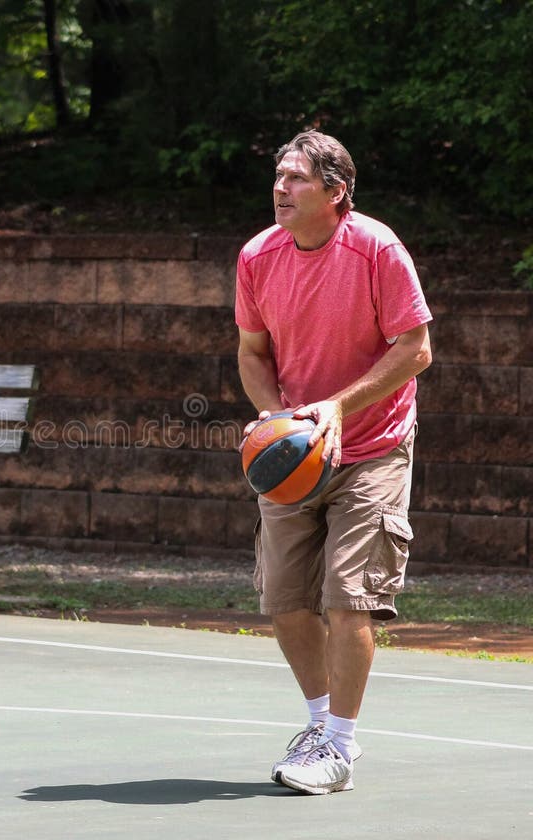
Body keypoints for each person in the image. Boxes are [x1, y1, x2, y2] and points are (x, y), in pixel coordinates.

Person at [235, 130, 433, 795]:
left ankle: (341, 748)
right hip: (296, 454)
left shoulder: (377, 249)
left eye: (296, 178)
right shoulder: (258, 256)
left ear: (336, 192)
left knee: (348, 600)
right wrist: (274, 417)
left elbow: (414, 349)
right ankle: (320, 726)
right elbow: (253, 354)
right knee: (286, 601)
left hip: (373, 446)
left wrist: (336, 409)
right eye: (278, 176)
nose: (280, 188)